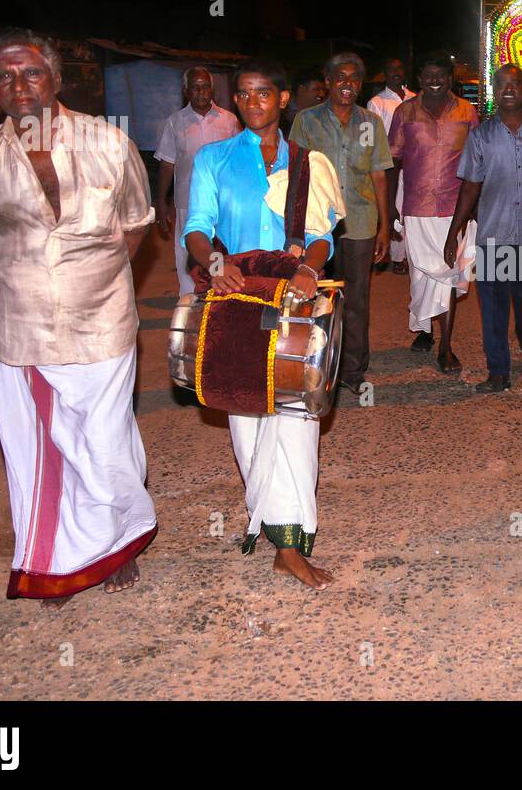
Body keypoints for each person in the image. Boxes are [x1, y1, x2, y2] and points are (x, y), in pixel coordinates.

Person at [0, 30, 156, 608]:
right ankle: (58, 562)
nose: (19, 87)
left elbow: (137, 220)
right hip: (23, 327)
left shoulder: (108, 142)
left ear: (56, 78)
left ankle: (117, 541)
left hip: (105, 316)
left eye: (31, 73)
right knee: (41, 446)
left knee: (105, 440)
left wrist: (101, 275)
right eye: (5, 76)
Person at [184, 57, 344, 590]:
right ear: (237, 101)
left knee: (296, 419)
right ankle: (267, 519)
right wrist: (212, 264)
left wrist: (309, 268)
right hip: (234, 298)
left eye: (264, 93)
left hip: (294, 301)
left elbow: (322, 233)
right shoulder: (213, 158)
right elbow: (198, 227)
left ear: (282, 100)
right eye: (245, 94)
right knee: (247, 422)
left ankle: (289, 544)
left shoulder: (308, 162)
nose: (254, 102)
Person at [446, 63, 522, 392]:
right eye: (502, 84)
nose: (509, 89)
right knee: (493, 306)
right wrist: (454, 231)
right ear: (495, 90)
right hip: (495, 235)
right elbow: (469, 187)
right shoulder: (480, 136)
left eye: (515, 84)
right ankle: (498, 371)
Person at [289, 52, 393, 394]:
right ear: (328, 82)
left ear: (360, 85)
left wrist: (384, 227)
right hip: (318, 225)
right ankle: (314, 364)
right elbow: (294, 175)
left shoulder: (370, 123)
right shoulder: (307, 121)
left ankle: (352, 369)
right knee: (315, 295)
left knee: (357, 298)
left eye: (354, 79)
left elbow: (379, 176)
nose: (347, 85)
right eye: (341, 78)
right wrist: (292, 229)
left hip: (361, 223)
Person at [388, 50, 480, 372]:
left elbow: (475, 165)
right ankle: (424, 329)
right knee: (419, 277)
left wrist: (474, 211)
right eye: (429, 75)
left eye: (441, 75)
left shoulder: (467, 112)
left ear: (451, 79)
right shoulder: (405, 112)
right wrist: (388, 211)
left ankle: (446, 346)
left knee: (449, 273)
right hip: (416, 207)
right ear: (420, 80)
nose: (435, 81)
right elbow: (392, 163)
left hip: (455, 208)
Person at [153, 66, 241, 294]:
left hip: (223, 202)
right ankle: (189, 300)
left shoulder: (229, 121)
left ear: (212, 89)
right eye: (196, 88)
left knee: (222, 250)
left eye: (205, 87)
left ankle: (221, 297)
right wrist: (161, 201)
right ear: (186, 91)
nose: (201, 92)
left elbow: (242, 163)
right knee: (186, 251)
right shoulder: (175, 122)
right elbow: (167, 163)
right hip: (187, 200)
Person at [367, 57, 415, 274]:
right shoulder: (377, 102)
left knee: (411, 209)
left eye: (399, 68)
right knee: (393, 208)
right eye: (391, 69)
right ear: (385, 74)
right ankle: (397, 257)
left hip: (414, 165)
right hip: (389, 166)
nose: (396, 72)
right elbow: (370, 140)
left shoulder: (417, 98)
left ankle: (412, 254)